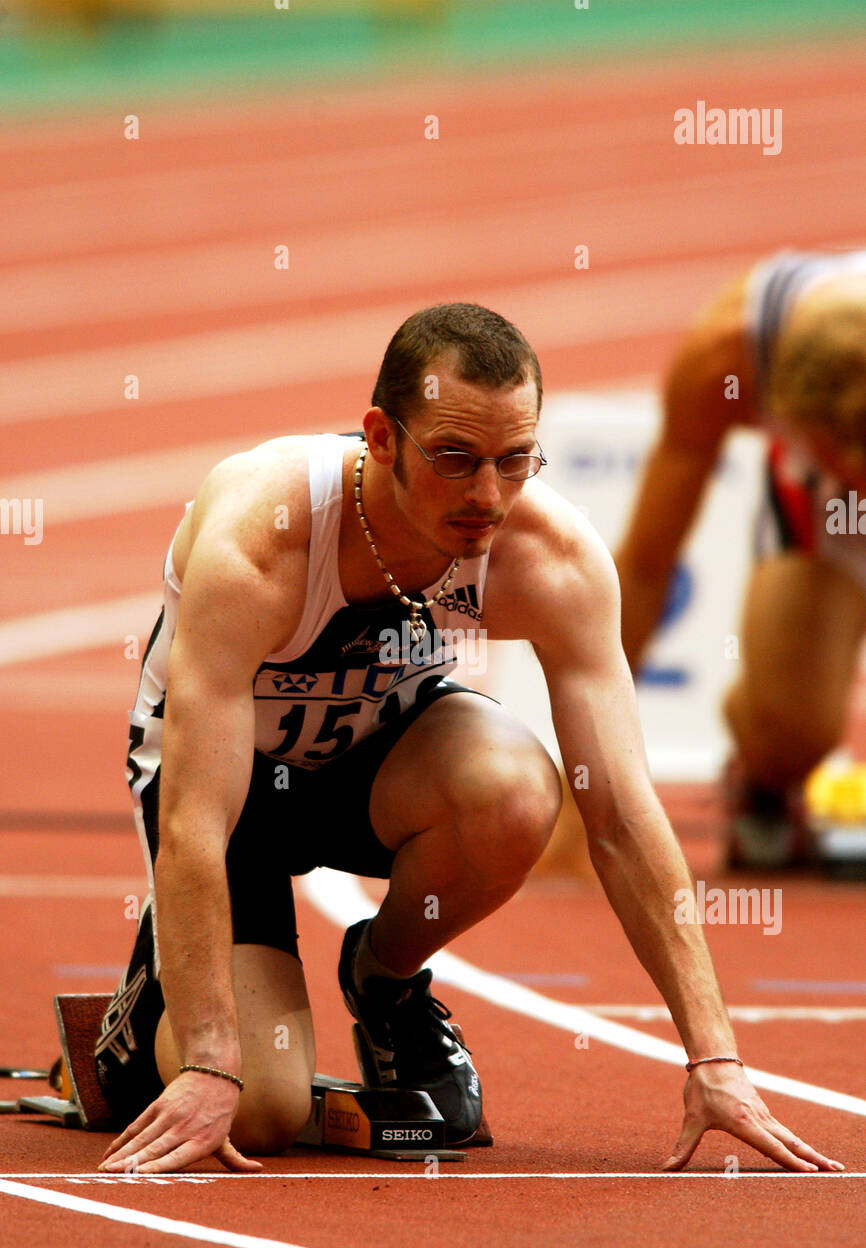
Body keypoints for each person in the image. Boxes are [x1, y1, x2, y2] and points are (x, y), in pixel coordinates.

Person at [95, 302, 841, 1177]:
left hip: (374, 760)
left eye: (515, 460)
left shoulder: (548, 556)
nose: (488, 496)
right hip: (232, 795)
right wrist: (212, 1059)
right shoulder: (264, 541)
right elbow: (193, 819)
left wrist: (714, 1058)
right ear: (380, 436)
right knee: (256, 1109)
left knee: (519, 790)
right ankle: (131, 1026)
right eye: (454, 459)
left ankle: (384, 981)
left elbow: (624, 817)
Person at [614, 248, 866, 867]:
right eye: (846, 461)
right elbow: (648, 563)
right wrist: (586, 787)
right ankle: (764, 784)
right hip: (820, 511)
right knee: (791, 732)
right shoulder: (727, 354)